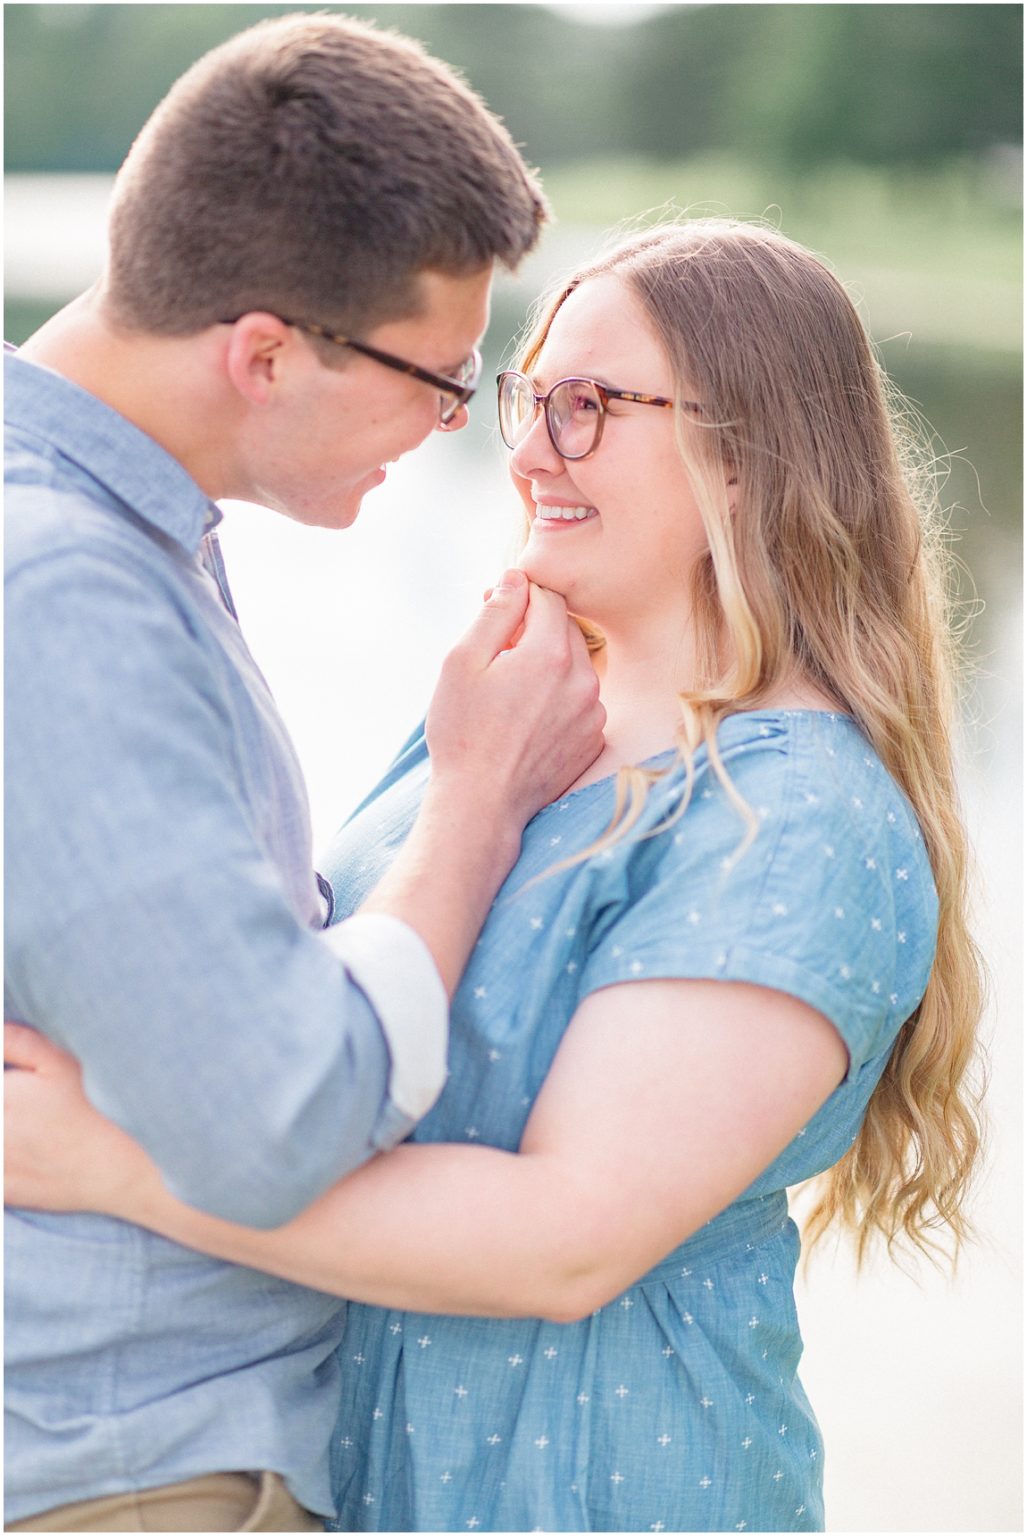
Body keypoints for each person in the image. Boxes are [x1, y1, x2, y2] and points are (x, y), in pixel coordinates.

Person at [5, 219, 984, 1534]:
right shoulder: (507, 715)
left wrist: (121, 1166)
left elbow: (566, 1238)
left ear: (750, 457)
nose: (524, 451)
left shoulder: (800, 819)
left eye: (586, 408)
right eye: (528, 398)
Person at [2, 13, 607, 1533]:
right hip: (143, 1475)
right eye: (441, 378)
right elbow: (272, 1126)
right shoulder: (64, 594)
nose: (460, 430)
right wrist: (472, 803)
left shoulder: (93, 537)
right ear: (265, 351)